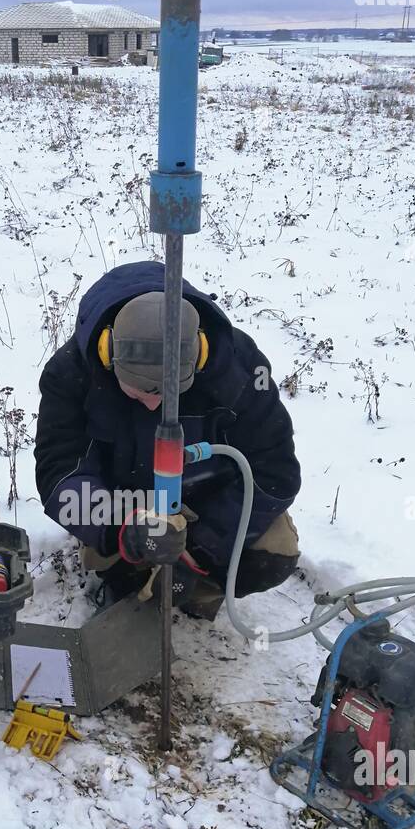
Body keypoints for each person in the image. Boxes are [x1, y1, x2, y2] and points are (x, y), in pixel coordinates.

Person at [34, 261, 301, 617]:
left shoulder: (240, 366)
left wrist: (205, 544)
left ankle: (195, 592)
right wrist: (124, 530)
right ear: (107, 356)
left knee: (273, 553)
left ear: (200, 355)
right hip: (127, 506)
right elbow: (61, 474)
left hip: (210, 502)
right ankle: (130, 586)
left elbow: (275, 472)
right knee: (113, 561)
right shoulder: (70, 373)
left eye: (168, 392)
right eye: (140, 391)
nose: (155, 403)